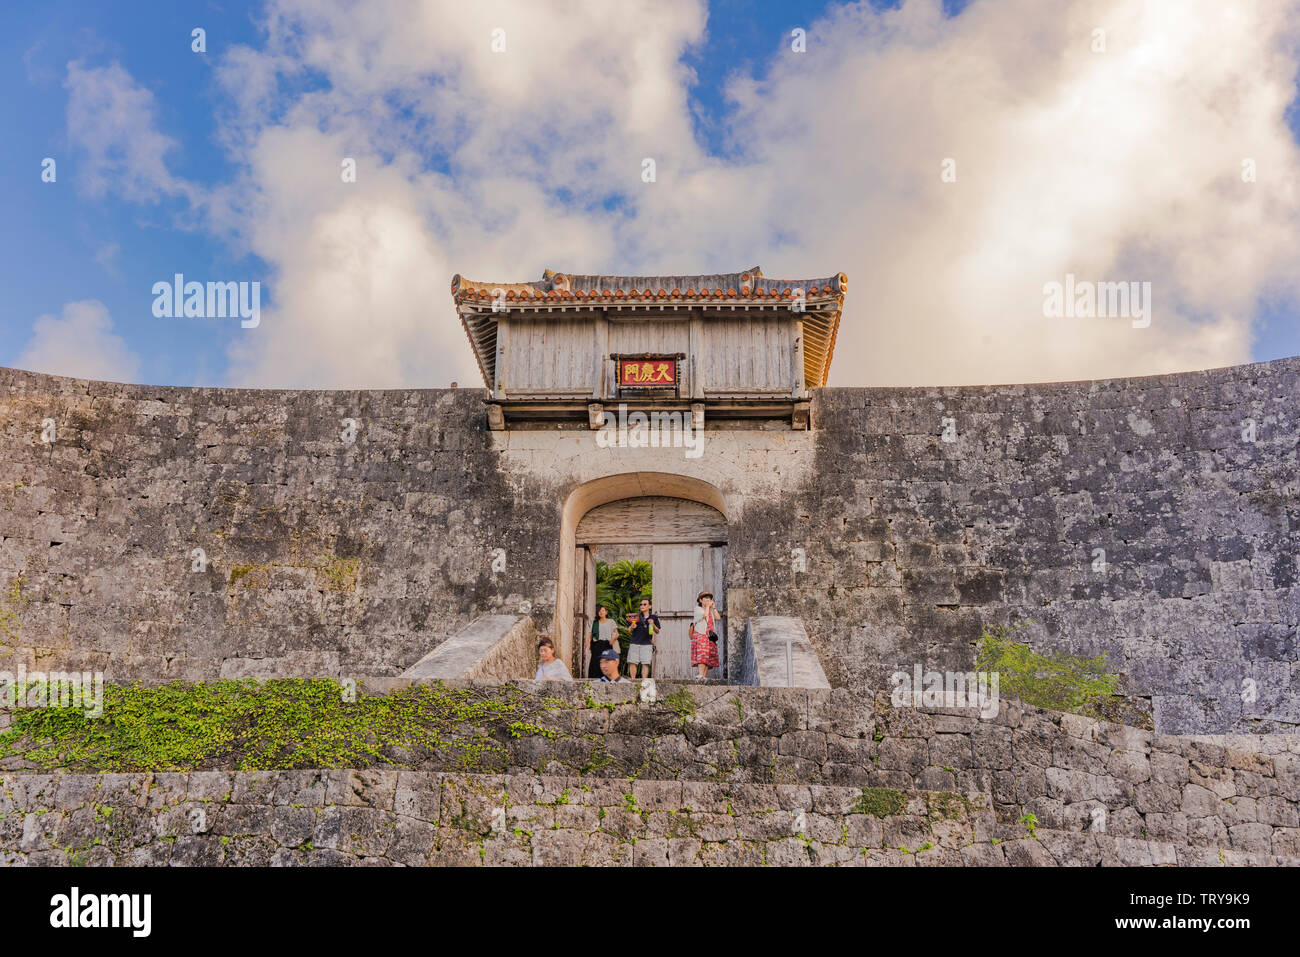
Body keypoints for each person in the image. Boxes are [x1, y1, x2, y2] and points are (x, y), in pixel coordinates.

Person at [689, 590, 722, 680]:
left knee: (708, 656)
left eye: (710, 598)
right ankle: (700, 674)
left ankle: (703, 676)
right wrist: (708, 606)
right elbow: (705, 615)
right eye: (706, 598)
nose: (708, 600)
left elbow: (718, 617)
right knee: (702, 655)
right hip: (701, 634)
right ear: (700, 600)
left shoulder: (710, 611)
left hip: (709, 637)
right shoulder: (698, 609)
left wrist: (713, 608)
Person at [625, 598, 661, 679]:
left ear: (650, 606)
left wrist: (653, 624)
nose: (642, 606)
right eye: (641, 604)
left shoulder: (653, 617)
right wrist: (632, 626)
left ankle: (644, 681)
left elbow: (657, 631)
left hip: (647, 643)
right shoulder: (635, 616)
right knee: (632, 662)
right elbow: (629, 630)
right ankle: (633, 681)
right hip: (635, 642)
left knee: (645, 663)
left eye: (645, 604)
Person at [586, 604, 620, 679]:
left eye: (603, 610)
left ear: (606, 612)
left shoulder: (611, 621)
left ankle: (607, 678)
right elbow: (590, 634)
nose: (601, 612)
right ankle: (594, 678)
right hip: (597, 644)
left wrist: (612, 640)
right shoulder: (595, 623)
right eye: (599, 611)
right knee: (595, 662)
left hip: (607, 644)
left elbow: (617, 634)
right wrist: (588, 644)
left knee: (606, 661)